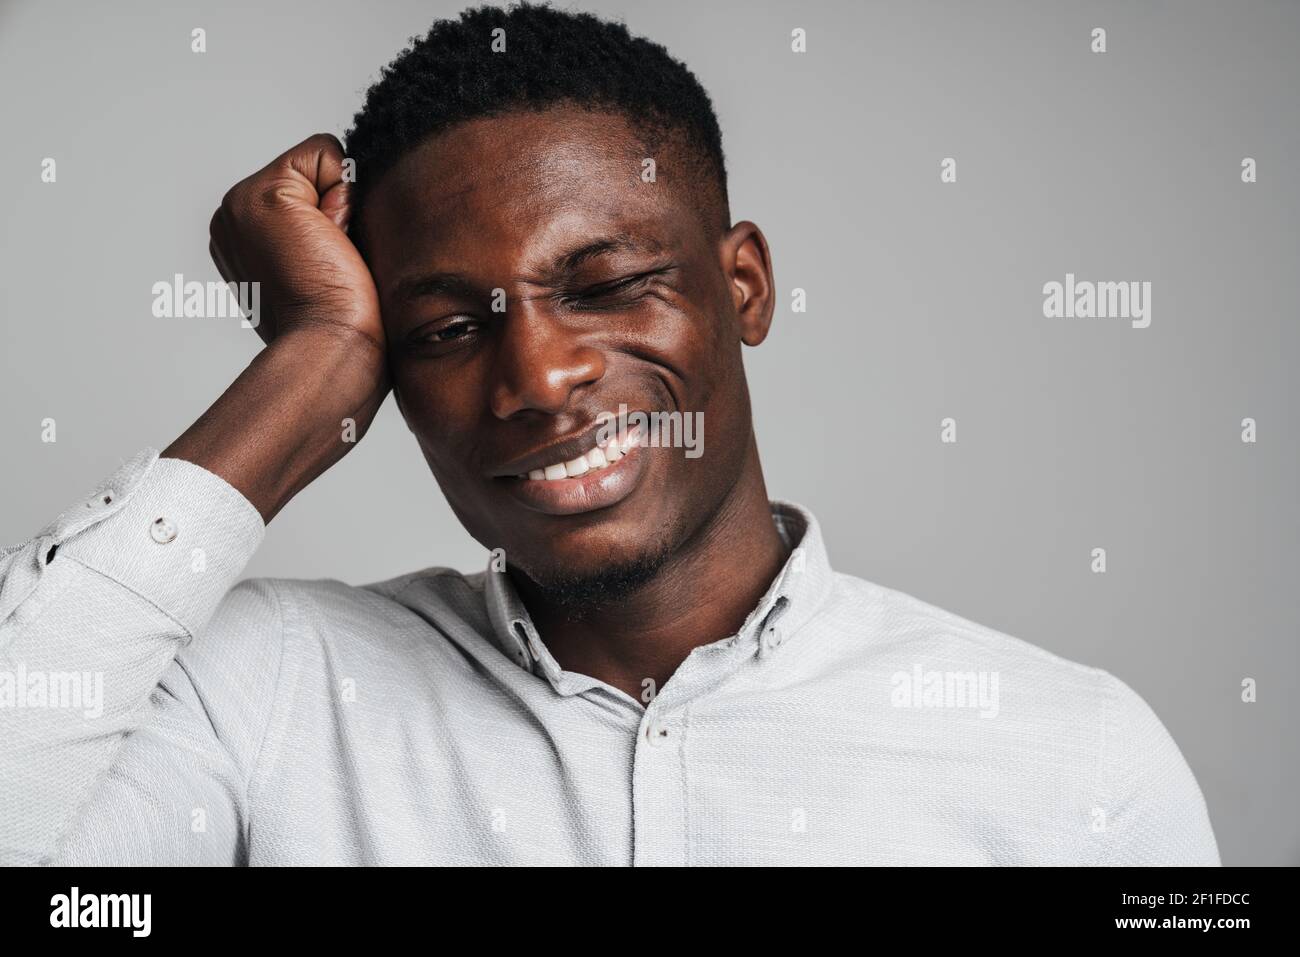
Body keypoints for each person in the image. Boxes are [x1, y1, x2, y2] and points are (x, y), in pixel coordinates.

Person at [0, 3, 1218, 865]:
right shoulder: (269, 694)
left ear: (741, 287)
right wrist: (310, 353)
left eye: (606, 284)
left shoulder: (1071, 756)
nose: (536, 375)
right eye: (444, 330)